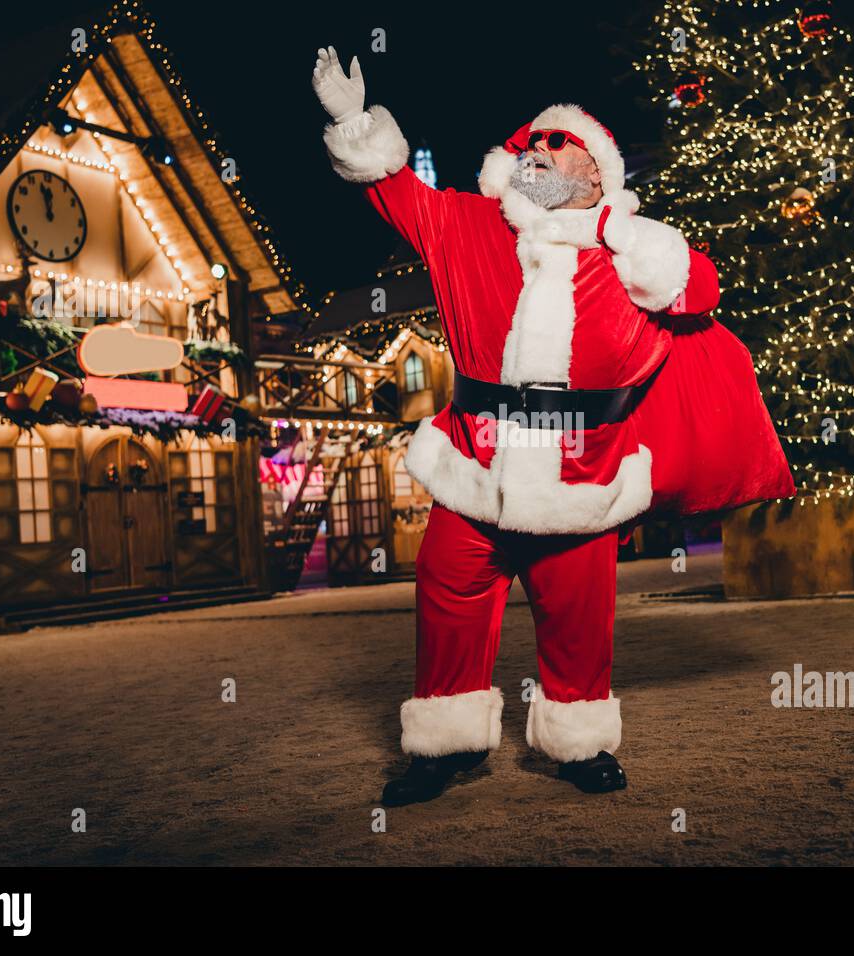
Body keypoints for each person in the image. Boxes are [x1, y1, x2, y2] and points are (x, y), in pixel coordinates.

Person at [312, 47, 793, 806]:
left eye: (555, 141)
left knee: (578, 627)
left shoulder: (630, 259)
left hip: (582, 484)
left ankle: (580, 745)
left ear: (598, 173)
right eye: (529, 141)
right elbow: (396, 190)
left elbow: (699, 293)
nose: (535, 148)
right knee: (445, 604)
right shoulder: (468, 228)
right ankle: (445, 745)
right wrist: (353, 121)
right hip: (474, 471)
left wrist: (636, 240)